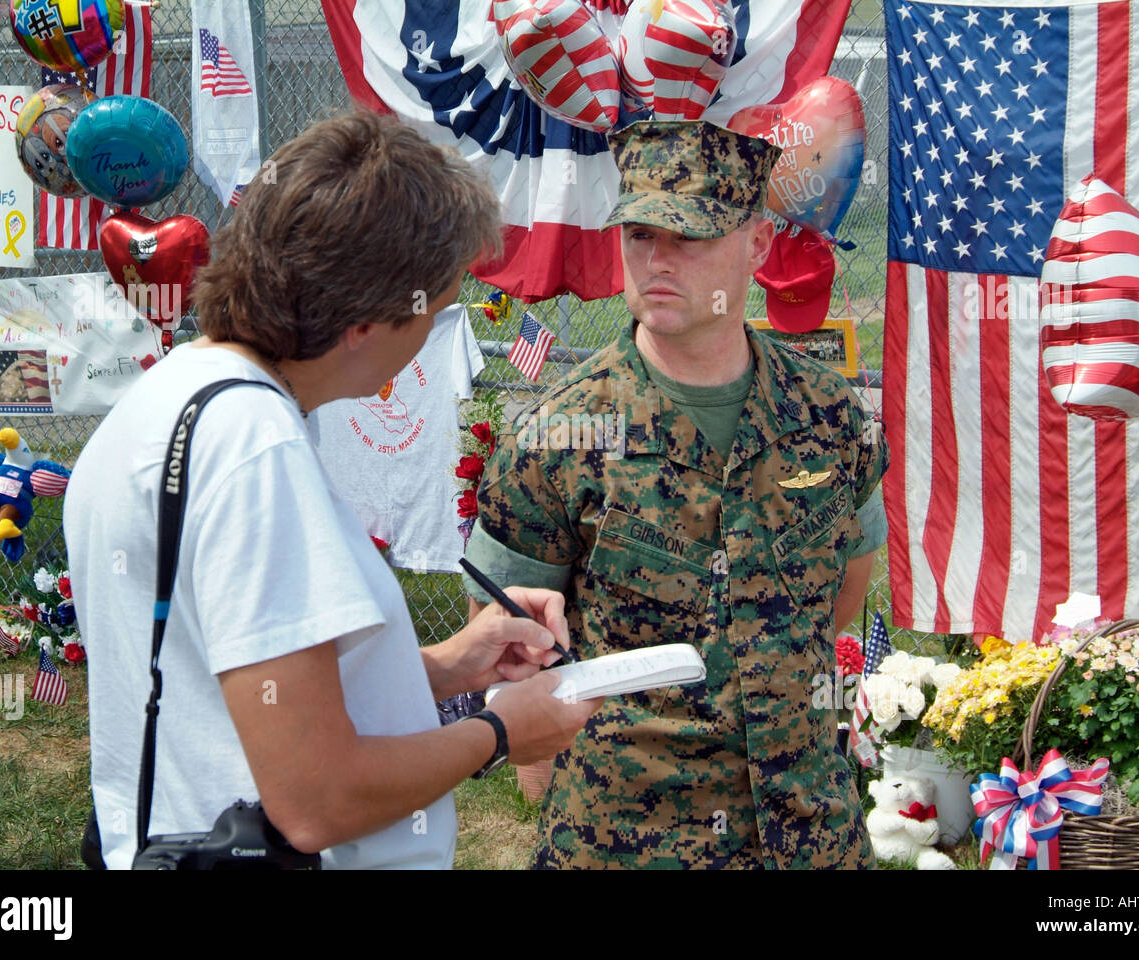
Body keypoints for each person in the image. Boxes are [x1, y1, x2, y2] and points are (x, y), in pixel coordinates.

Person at [63, 109, 600, 870]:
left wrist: (452, 664)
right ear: (363, 325)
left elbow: (265, 691)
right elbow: (317, 801)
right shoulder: (255, 450)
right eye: (434, 310)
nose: (430, 333)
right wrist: (503, 732)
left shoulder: (176, 397)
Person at [462, 119, 890, 868]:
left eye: (687, 238)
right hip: (629, 839)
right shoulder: (562, 432)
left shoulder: (830, 415)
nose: (657, 262)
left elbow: (846, 587)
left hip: (805, 832)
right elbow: (506, 645)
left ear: (756, 245)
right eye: (639, 236)